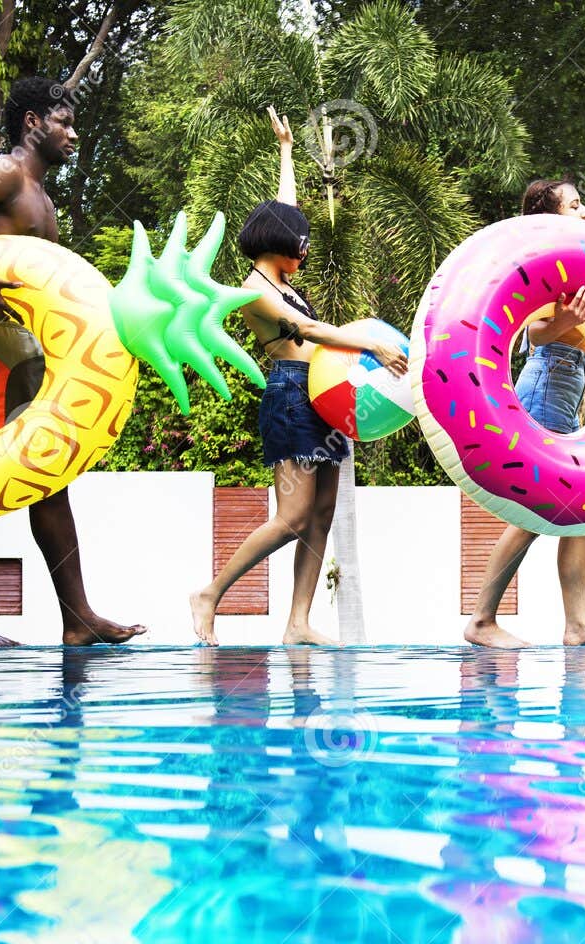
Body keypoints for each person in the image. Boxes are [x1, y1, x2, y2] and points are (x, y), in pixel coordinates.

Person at [0, 76, 145, 648]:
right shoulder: (2, 175)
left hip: (26, 349)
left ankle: (77, 617)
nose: (74, 132)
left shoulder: (42, 199)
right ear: (32, 123)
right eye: (64, 122)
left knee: (47, 475)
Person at [188, 107, 407, 646]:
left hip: (324, 398)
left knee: (322, 513)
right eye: (300, 241)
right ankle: (210, 594)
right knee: (292, 516)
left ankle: (298, 622)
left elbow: (284, 210)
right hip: (290, 395)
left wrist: (286, 151)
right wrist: (373, 343)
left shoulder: (280, 272)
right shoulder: (256, 289)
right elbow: (309, 330)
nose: (305, 248)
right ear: (279, 245)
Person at [462, 178, 585, 649]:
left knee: (580, 508)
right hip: (547, 380)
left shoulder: (578, 264)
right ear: (551, 216)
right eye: (575, 205)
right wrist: (567, 321)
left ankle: (578, 623)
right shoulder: (545, 266)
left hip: (568, 382)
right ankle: (481, 619)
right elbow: (535, 332)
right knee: (537, 509)